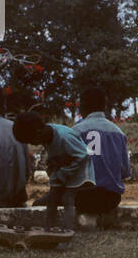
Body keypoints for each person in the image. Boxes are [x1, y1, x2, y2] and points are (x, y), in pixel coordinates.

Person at [12, 110, 94, 230]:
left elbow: (83, 156)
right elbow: (54, 154)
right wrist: (52, 166)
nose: (33, 145)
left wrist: (65, 173)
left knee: (67, 199)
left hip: (79, 170)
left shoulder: (64, 137)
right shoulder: (46, 135)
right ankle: (48, 229)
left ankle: (67, 231)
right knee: (52, 199)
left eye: (31, 141)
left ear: (37, 133)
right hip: (63, 168)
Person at [72, 86, 131, 229]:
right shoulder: (119, 133)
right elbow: (125, 173)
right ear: (103, 106)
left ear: (83, 106)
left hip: (81, 198)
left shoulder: (75, 132)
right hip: (111, 199)